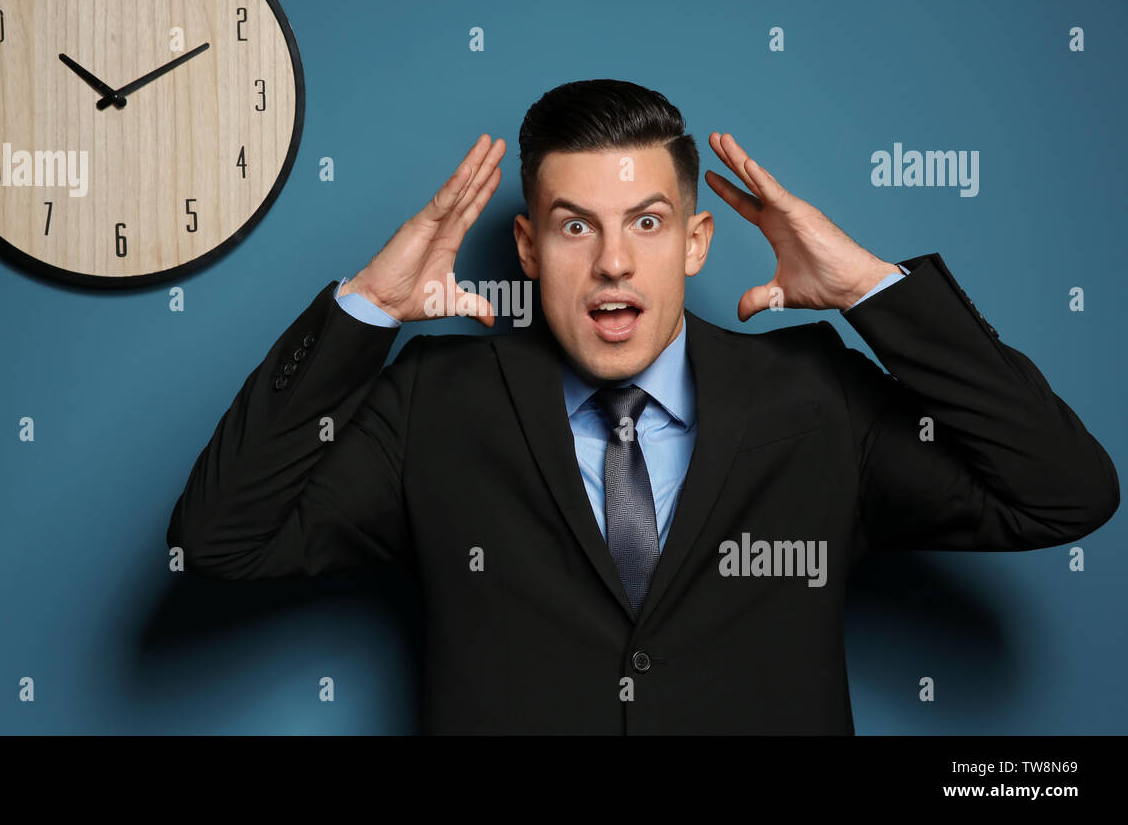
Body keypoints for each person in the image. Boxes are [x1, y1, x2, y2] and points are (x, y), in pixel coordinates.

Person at [167, 79, 1118, 734]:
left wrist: (875, 291)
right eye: (576, 226)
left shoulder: (814, 396)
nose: (614, 261)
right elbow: (220, 537)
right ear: (530, 249)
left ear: (696, 242)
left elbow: (1062, 494)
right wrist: (362, 313)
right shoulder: (435, 405)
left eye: (648, 223)